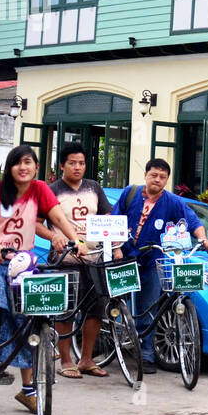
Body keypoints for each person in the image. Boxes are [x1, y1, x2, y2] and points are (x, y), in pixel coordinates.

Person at [0, 144, 81, 412]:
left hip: (22, 263)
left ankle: (28, 389)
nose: (23, 167)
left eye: (28, 162)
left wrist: (75, 240)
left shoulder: (40, 189)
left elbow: (57, 217)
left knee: (28, 315)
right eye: (18, 163)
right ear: (10, 167)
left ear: (36, 167)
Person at [114, 158, 208, 373]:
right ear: (146, 175)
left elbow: (193, 221)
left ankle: (146, 354)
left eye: (162, 177)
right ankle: (114, 342)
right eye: (154, 175)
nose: (157, 179)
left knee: (148, 308)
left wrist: (202, 238)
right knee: (121, 304)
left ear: (167, 180)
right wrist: (115, 248)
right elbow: (113, 220)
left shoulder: (172, 202)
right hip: (124, 257)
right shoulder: (130, 194)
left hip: (151, 260)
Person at [38, 142, 119, 379]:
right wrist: (54, 237)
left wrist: (116, 245)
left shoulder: (94, 188)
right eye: (72, 163)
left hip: (94, 259)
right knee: (66, 311)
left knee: (95, 310)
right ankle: (65, 360)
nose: (77, 167)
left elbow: (108, 217)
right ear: (62, 165)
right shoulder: (52, 190)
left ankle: (86, 359)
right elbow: (36, 224)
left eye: (81, 163)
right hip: (65, 260)